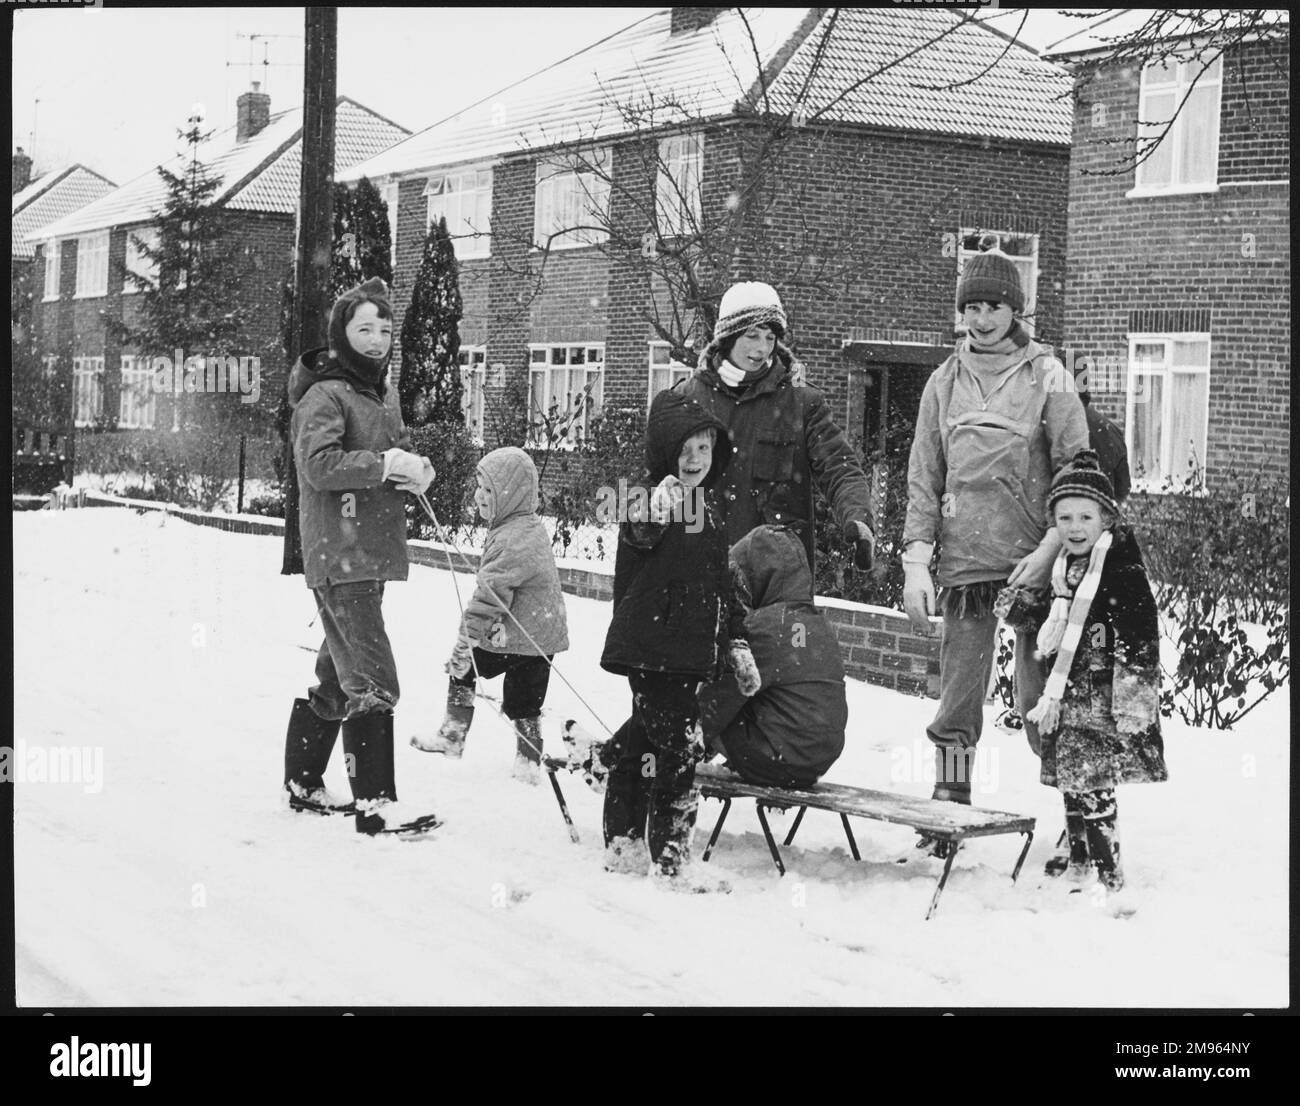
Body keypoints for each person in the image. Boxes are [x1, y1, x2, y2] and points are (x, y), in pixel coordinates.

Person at [902, 249, 1089, 836]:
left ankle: (1083, 820)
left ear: (1017, 309)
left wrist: (1052, 549)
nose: (982, 318)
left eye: (996, 306)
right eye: (973, 307)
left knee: (1042, 704)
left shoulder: (1049, 375)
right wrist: (916, 562)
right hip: (963, 566)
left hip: (1032, 565)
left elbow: (1078, 470)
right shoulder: (944, 381)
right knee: (958, 700)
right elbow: (924, 477)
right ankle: (946, 811)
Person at [281, 277, 440, 836]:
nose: (376, 339)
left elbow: (387, 456)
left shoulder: (380, 393)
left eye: (384, 329)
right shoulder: (323, 395)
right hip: (339, 551)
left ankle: (301, 782)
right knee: (373, 679)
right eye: (364, 328)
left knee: (337, 674)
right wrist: (383, 464)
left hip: (367, 553)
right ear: (341, 334)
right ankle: (375, 803)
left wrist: (412, 469)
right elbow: (319, 466)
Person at [599, 388, 758, 890]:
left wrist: (735, 642)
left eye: (704, 449)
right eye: (685, 449)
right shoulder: (648, 498)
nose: (694, 460)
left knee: (643, 741)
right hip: (652, 648)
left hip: (685, 653)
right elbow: (638, 534)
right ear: (666, 451)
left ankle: (623, 842)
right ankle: (671, 860)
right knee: (684, 748)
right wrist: (658, 505)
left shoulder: (709, 512)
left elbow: (721, 585)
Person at [1026, 451, 1167, 890]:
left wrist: (1135, 690)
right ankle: (1080, 860)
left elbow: (1142, 629)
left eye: (1086, 516)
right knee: (1071, 776)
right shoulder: (1063, 568)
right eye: (1064, 517)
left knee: (1096, 780)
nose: (1075, 527)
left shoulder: (1121, 566)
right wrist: (1024, 610)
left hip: (1103, 693)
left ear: (1107, 518)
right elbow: (1054, 623)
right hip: (1067, 690)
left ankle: (1111, 876)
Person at [674, 280, 876, 577]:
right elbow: (657, 480)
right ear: (727, 339)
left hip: (776, 577)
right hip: (699, 570)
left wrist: (858, 518)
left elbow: (839, 467)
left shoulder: (802, 402)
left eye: (770, 338)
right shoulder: (686, 399)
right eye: (752, 335)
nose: (762, 348)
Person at [410, 446, 569, 785]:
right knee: (526, 704)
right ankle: (528, 762)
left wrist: (466, 640)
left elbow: (489, 599)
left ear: (511, 494)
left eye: (488, 490)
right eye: (479, 487)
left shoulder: (512, 538)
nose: (479, 496)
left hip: (520, 637)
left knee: (463, 667)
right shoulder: (525, 526)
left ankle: (453, 734)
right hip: (541, 637)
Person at [697, 524, 847, 787]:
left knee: (698, 706)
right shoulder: (819, 625)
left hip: (779, 760)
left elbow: (715, 702)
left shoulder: (766, 627)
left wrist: (674, 741)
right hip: (814, 761)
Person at [1076, 383, 1131, 506]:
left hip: (1068, 517)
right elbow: (1123, 488)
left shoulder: (1054, 427)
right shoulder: (1110, 429)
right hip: (1103, 514)